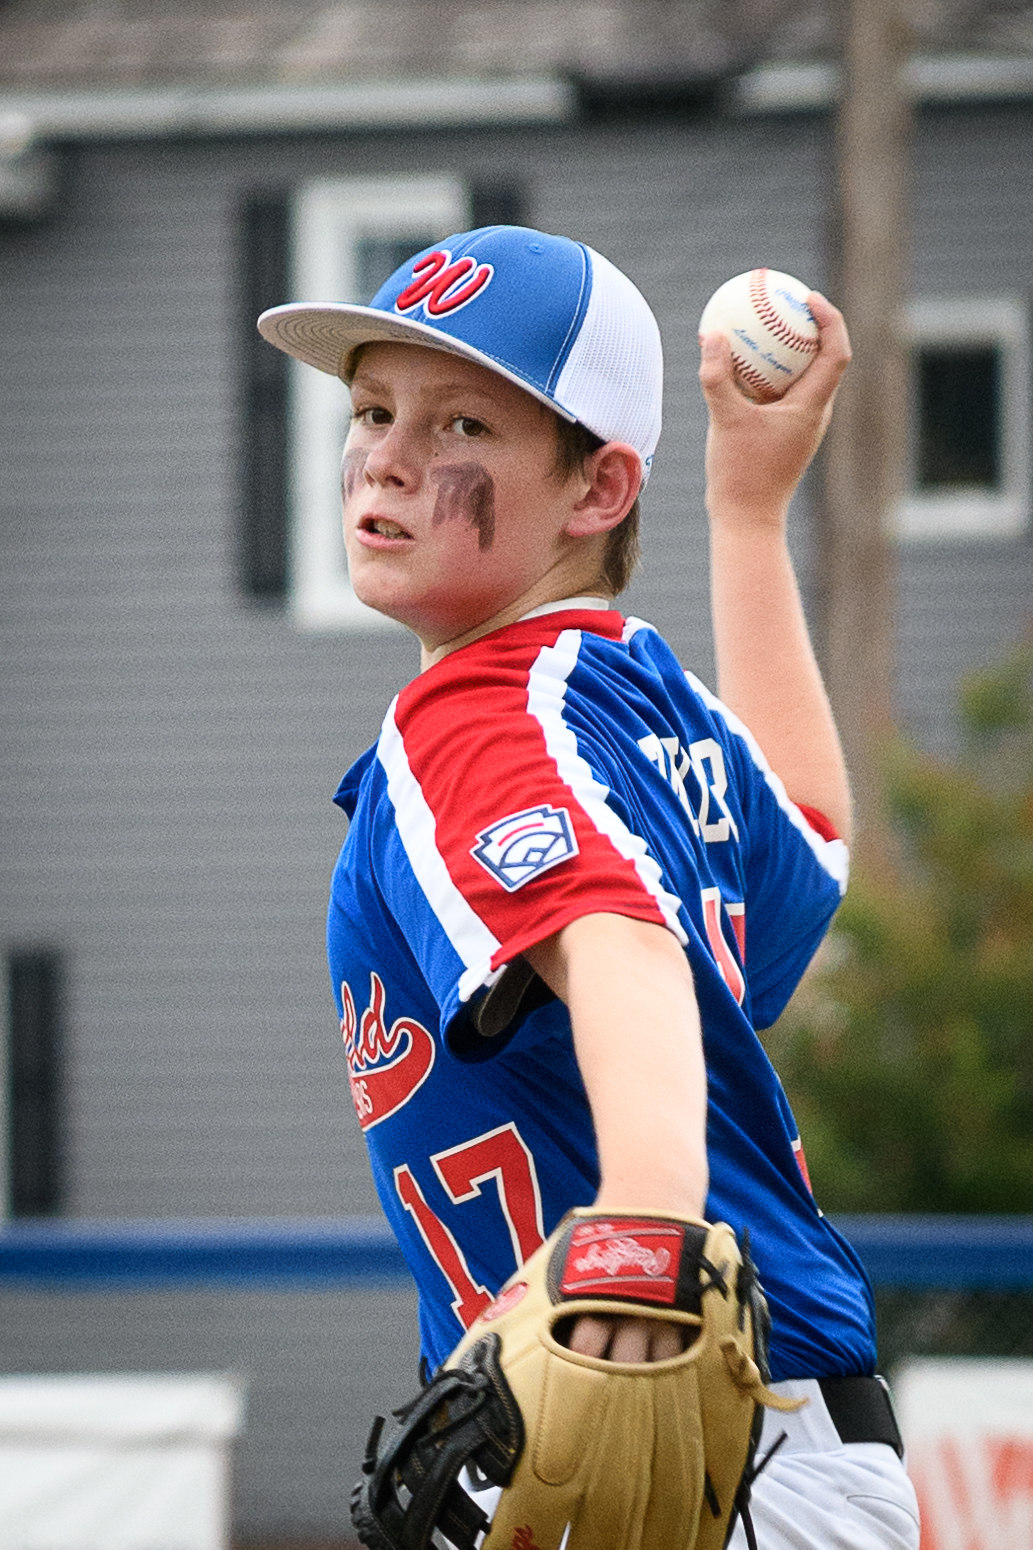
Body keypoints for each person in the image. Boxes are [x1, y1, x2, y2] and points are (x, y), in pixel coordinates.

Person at [258, 226, 920, 1549]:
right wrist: (746, 507)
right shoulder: (625, 695)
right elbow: (806, 844)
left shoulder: (482, 711)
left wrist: (646, 1231)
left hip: (692, 1430)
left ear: (597, 488)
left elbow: (611, 939)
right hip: (778, 1438)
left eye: (460, 426)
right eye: (374, 408)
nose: (387, 455)